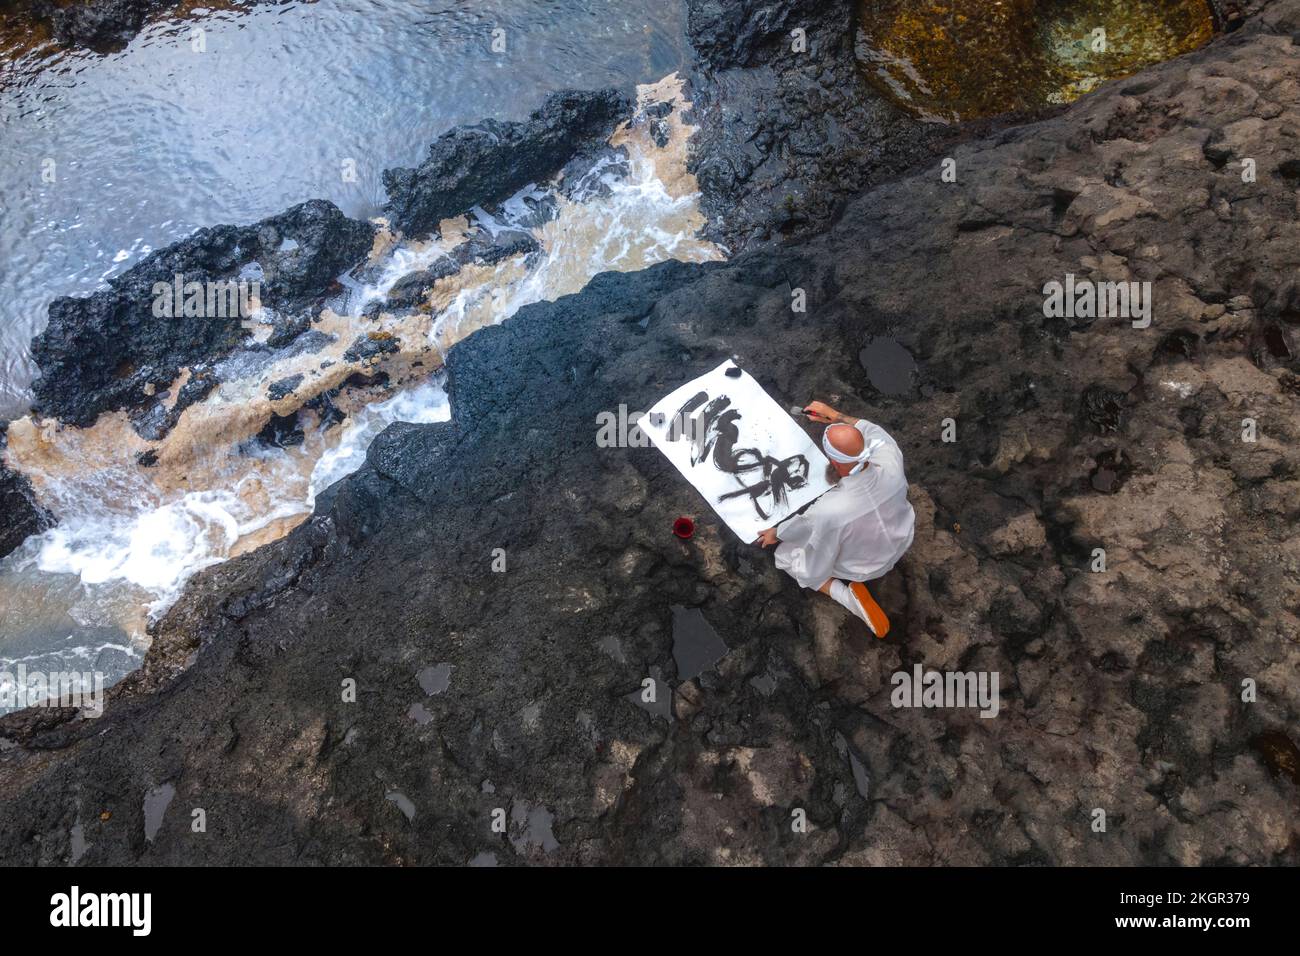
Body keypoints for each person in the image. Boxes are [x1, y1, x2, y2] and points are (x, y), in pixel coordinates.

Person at [754, 401, 915, 637]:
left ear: (835, 462)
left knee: (787, 556)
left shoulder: (829, 510)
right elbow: (872, 429)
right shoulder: (889, 457)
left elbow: (800, 527)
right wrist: (834, 414)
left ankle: (846, 596)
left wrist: (774, 533)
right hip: (902, 539)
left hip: (864, 566)